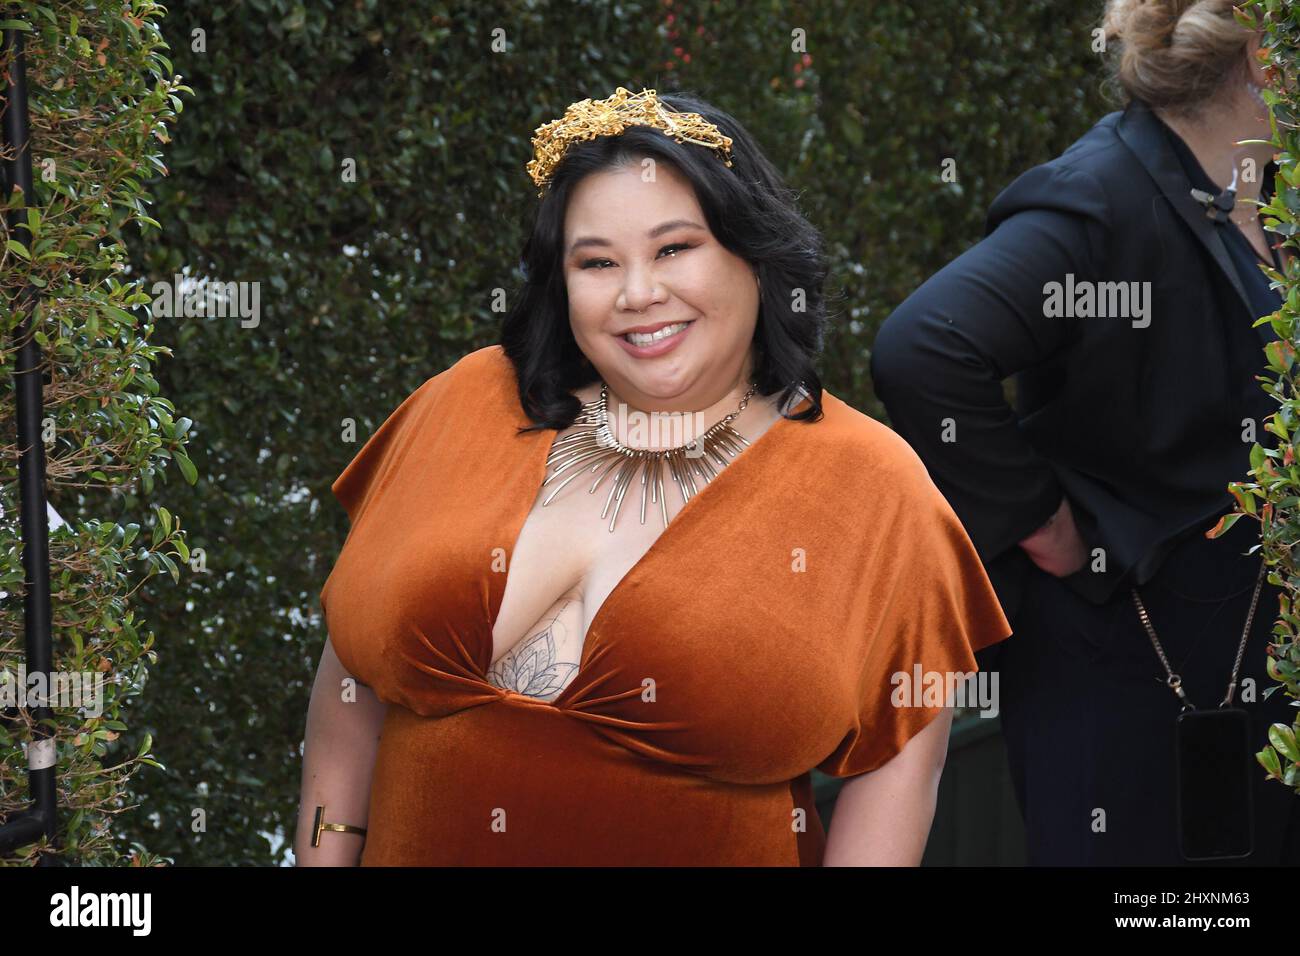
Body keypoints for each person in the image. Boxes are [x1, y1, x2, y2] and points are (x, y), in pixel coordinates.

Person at [295, 86, 1012, 866]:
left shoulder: (874, 486)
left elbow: (898, 762)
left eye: (675, 249)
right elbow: (353, 674)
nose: (638, 295)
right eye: (597, 262)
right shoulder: (463, 403)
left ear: (755, 254)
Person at [870, 1, 1300, 865]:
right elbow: (924, 348)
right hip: (1126, 669)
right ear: (1265, 58)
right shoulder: (1103, 195)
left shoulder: (1264, 195)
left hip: (1251, 664)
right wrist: (1045, 523)